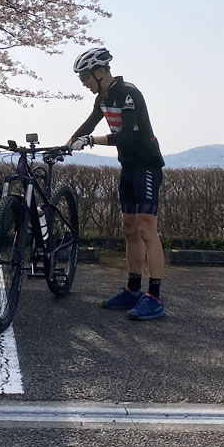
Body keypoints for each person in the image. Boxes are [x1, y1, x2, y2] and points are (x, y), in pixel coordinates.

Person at [66, 47, 167, 321]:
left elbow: (127, 137)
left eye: (86, 78)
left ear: (101, 72)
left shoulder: (129, 93)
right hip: (128, 167)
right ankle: (133, 290)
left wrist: (90, 141)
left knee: (148, 230)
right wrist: (67, 144)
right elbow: (89, 123)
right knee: (129, 229)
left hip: (146, 166)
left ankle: (155, 297)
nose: (84, 84)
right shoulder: (103, 97)